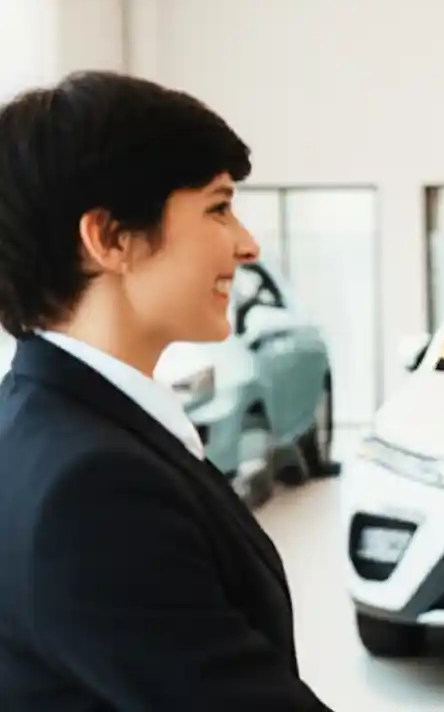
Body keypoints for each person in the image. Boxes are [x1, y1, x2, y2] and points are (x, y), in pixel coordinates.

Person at [0, 72, 333, 710]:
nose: (247, 244)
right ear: (110, 239)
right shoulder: (93, 491)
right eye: (217, 207)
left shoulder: (43, 422)